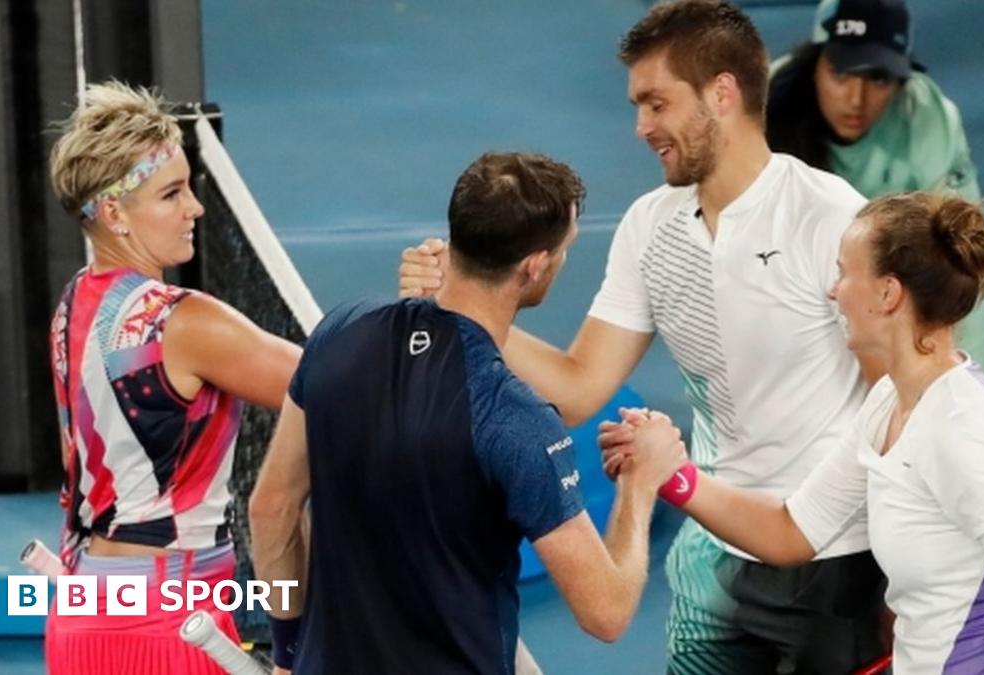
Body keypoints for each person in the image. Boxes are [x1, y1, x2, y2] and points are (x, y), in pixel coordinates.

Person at [398, 2, 890, 672]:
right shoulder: (649, 227)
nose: (640, 127)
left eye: (656, 104)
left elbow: (896, 401)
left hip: (835, 565)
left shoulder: (831, 218)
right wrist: (462, 300)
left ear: (722, 93)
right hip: (713, 561)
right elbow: (577, 389)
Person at [605, 192, 984, 674]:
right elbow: (790, 532)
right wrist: (672, 475)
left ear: (888, 293)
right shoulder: (890, 403)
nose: (834, 291)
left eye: (844, 272)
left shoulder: (966, 432)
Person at [249, 152, 682, 674]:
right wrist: (641, 483)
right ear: (535, 265)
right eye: (565, 249)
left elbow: (272, 508)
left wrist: (289, 649)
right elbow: (606, 613)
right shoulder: (515, 421)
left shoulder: (339, 333)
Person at [45, 81, 301, 674]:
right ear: (114, 213)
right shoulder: (184, 321)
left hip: (82, 613)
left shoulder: (71, 306)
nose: (196, 207)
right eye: (172, 193)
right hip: (171, 624)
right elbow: (343, 384)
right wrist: (426, 312)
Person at [766, 0, 984, 375]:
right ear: (815, 64)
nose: (856, 99)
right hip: (792, 284)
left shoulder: (928, 121)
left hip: (889, 293)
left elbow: (957, 266)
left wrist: (959, 381)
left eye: (877, 78)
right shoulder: (765, 108)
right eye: (841, 74)